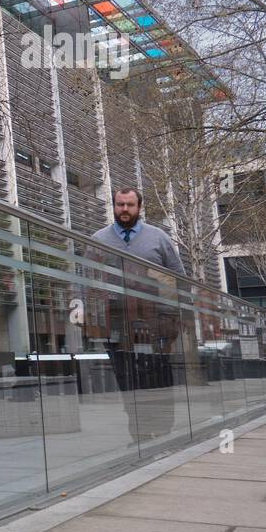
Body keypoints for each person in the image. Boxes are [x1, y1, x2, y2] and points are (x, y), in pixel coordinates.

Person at [90, 187, 187, 443]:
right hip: (116, 321)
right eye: (120, 204)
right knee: (126, 377)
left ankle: (163, 429)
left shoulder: (158, 238)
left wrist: (183, 313)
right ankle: (140, 434)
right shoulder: (98, 239)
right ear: (113, 206)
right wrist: (82, 307)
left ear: (139, 207)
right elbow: (85, 276)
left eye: (130, 205)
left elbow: (179, 277)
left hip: (158, 319)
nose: (124, 210)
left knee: (157, 373)